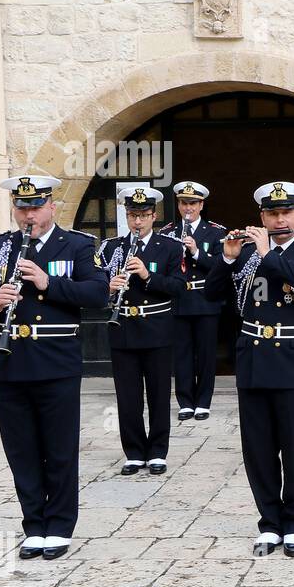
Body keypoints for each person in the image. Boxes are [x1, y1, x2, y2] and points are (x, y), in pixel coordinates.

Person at [0, 175, 106, 560]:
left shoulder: (77, 245)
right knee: (21, 450)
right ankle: (34, 525)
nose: (29, 214)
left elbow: (96, 292)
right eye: (22, 207)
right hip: (11, 363)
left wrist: (46, 283)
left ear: (51, 207)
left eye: (36, 206)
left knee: (58, 449)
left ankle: (59, 525)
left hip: (57, 363)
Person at [205, 181, 294, 557]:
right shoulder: (244, 254)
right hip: (255, 360)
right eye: (272, 214)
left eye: (286, 212)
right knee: (258, 449)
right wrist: (227, 259)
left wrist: (266, 252)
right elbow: (212, 296)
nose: (279, 219)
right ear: (262, 216)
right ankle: (269, 523)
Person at [98, 186, 186, 476]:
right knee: (128, 396)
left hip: (157, 329)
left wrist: (147, 276)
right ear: (126, 215)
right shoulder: (111, 248)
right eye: (132, 215)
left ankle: (158, 451)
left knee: (159, 394)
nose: (138, 222)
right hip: (123, 328)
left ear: (154, 215)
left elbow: (178, 287)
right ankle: (134, 452)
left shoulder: (171, 248)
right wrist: (109, 288)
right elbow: (95, 287)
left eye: (144, 215)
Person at [160, 181, 226, 422]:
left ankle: (203, 401)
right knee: (182, 354)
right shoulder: (167, 233)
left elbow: (222, 266)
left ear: (201, 205)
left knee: (206, 353)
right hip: (179, 299)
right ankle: (185, 401)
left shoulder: (216, 232)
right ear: (178, 205)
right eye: (184, 203)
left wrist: (197, 252)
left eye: (193, 203)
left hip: (205, 299)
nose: (188, 208)